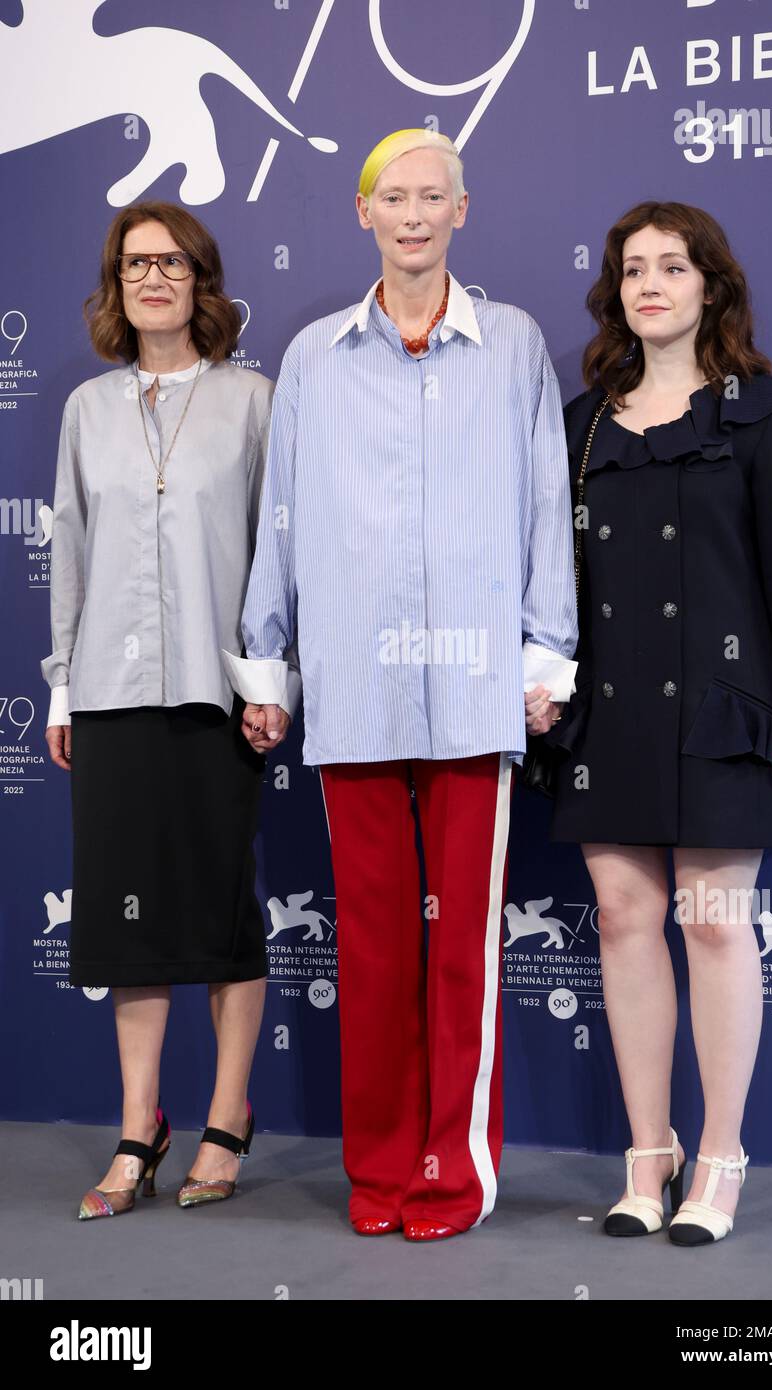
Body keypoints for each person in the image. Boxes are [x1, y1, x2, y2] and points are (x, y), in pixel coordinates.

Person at [222, 128, 578, 1241]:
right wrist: (266, 661)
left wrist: (541, 654)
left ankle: (451, 1173)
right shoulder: (315, 358)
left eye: (433, 196)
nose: (413, 213)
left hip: (475, 693)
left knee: (459, 949)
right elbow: (279, 520)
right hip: (358, 691)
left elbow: (540, 512)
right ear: (362, 212)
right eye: (394, 197)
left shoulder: (514, 345)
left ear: (460, 213)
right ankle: (378, 1173)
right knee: (374, 947)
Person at [535, 201, 772, 1245]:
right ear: (613, 292)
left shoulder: (761, 411)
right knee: (626, 923)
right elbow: (554, 573)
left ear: (708, 286)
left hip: (725, 706)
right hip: (609, 707)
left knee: (714, 923)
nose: (650, 284)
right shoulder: (580, 419)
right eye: (631, 268)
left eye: (671, 266)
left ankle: (718, 1154)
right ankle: (648, 1153)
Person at [42, 200, 300, 1220]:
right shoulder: (85, 409)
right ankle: (137, 1126)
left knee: (221, 908)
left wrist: (268, 677)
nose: (154, 276)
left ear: (203, 279)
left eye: (173, 260)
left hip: (216, 689)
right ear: (116, 281)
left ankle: (226, 1116)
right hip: (107, 687)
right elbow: (68, 549)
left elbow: (276, 553)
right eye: (135, 261)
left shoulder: (252, 401)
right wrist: (63, 682)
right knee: (124, 919)